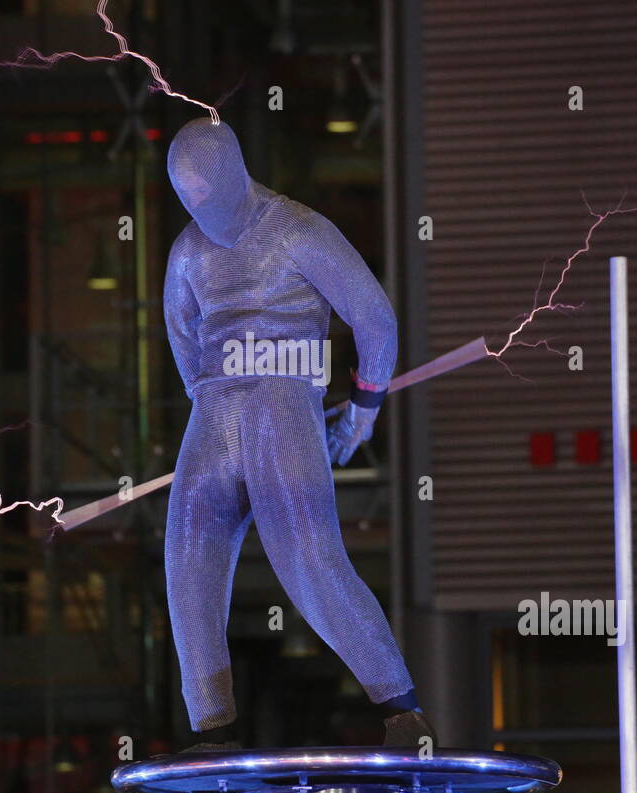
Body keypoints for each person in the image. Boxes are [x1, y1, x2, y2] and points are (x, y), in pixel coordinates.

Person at [161, 117, 436, 751]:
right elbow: (182, 339)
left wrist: (363, 409)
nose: (204, 217)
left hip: (283, 404)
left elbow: (374, 319)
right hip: (215, 406)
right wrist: (209, 401)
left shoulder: (298, 231)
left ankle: (401, 712)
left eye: (208, 200)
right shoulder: (188, 251)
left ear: (233, 179)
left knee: (307, 556)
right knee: (187, 550)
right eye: (190, 205)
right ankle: (211, 724)